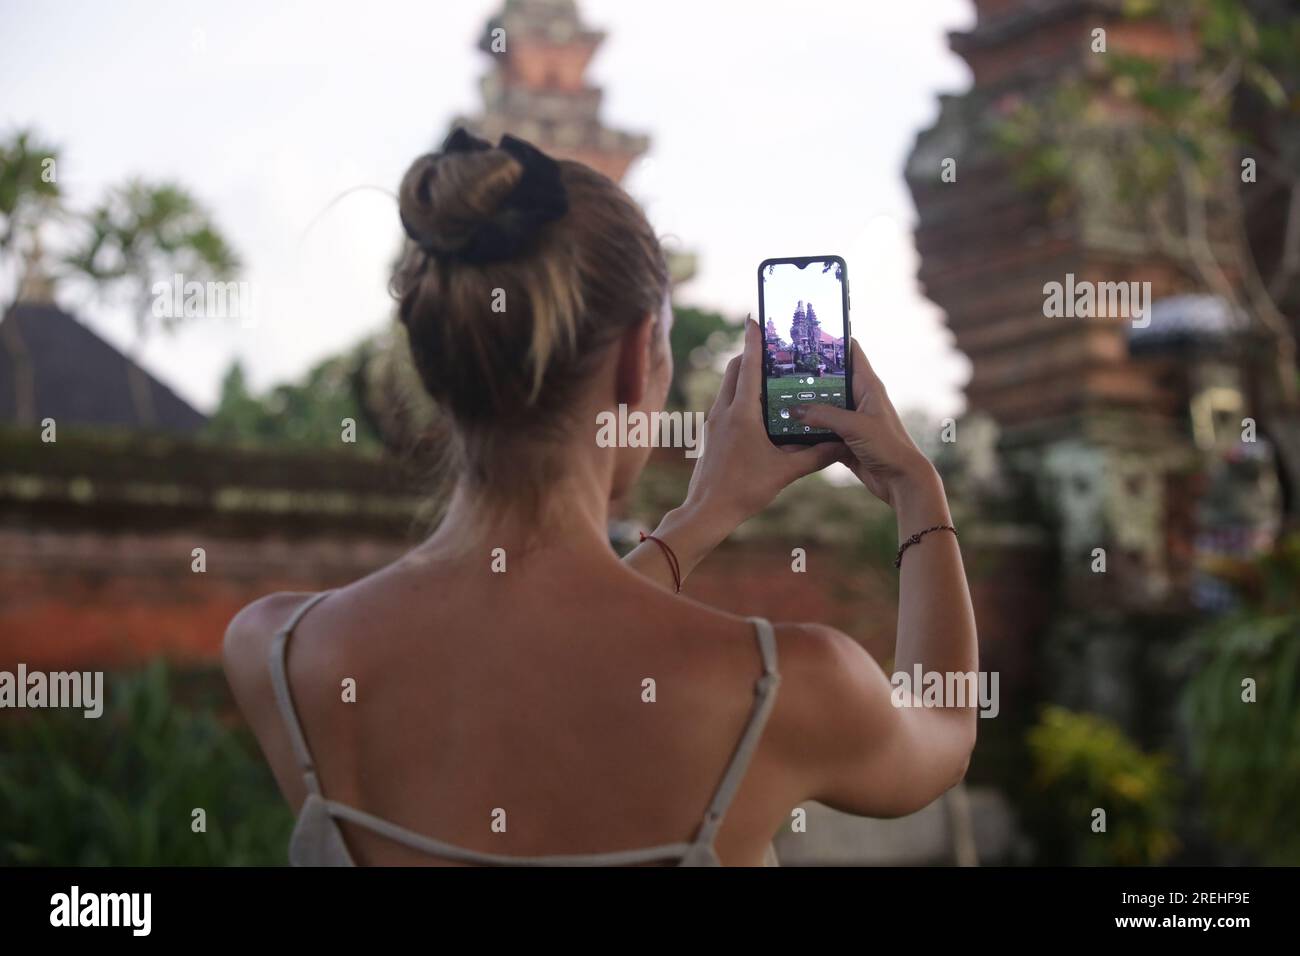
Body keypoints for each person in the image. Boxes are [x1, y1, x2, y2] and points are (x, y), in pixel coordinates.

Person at [223, 129, 979, 867]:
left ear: (439, 362)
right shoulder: (782, 685)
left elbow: (519, 660)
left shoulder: (281, 655)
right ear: (633, 362)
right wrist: (919, 492)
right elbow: (941, 728)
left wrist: (701, 517)